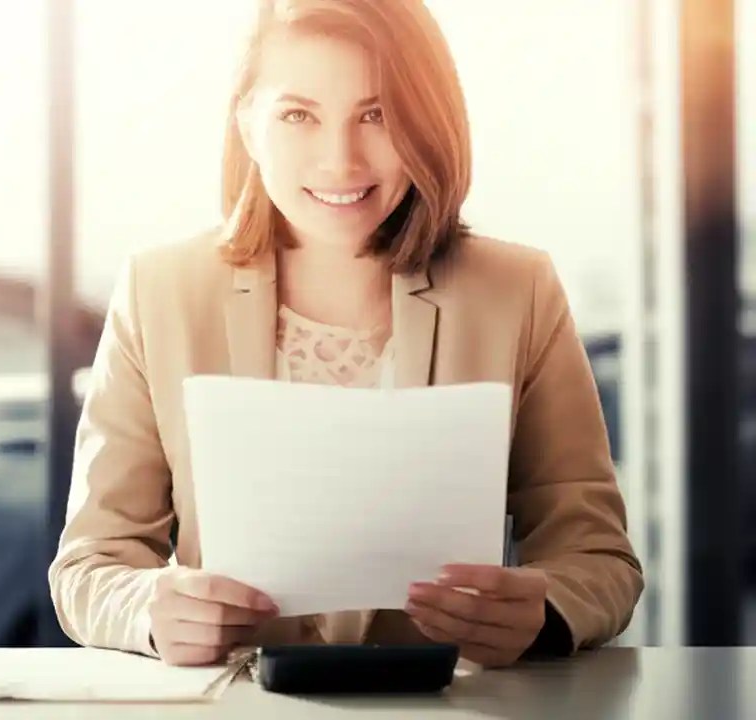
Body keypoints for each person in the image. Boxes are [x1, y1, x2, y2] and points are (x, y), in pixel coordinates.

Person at [48, 0, 643, 669]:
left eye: (376, 115)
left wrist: (542, 614)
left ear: (428, 122)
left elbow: (599, 558)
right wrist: (150, 610)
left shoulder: (517, 291)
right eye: (298, 115)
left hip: (453, 704)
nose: (340, 160)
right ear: (248, 125)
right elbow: (90, 565)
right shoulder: (159, 291)